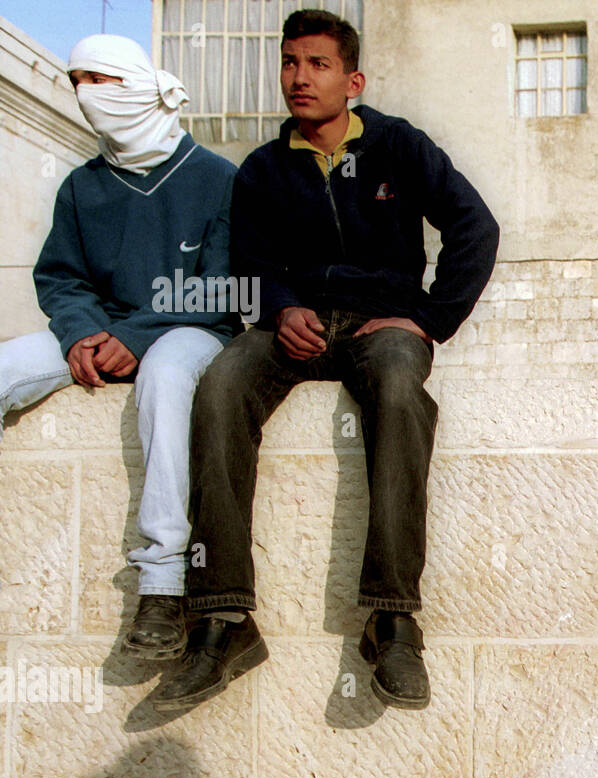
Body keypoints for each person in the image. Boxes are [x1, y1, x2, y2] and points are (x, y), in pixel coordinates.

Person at [153, 9, 499, 712]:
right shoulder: (262, 169)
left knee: (402, 386)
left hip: (382, 325)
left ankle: (393, 618)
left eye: (317, 64)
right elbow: (245, 260)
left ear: (352, 78)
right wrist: (281, 306)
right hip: (294, 328)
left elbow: (475, 225)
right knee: (220, 384)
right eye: (289, 62)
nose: (299, 77)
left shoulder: (398, 146)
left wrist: (429, 316)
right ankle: (222, 617)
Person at [0, 35, 239, 659]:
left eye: (100, 80)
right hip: (98, 334)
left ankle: (162, 585)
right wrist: (80, 332)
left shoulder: (218, 179)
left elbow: (226, 287)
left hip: (191, 333)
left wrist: (135, 336)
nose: (86, 95)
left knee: (164, 374)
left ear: (137, 84)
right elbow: (61, 277)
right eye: (76, 80)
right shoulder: (82, 187)